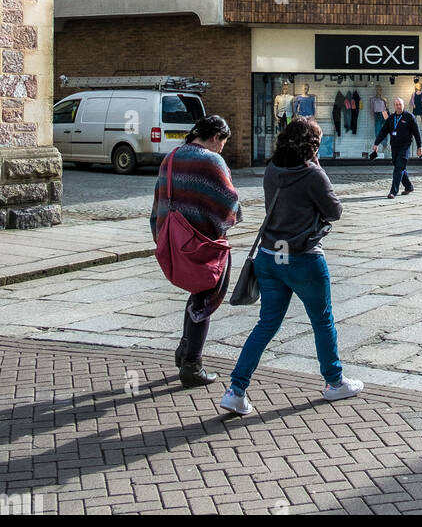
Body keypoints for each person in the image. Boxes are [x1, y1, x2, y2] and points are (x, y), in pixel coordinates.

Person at [220, 116, 363, 416]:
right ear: (312, 146)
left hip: (271, 256)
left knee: (267, 323)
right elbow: (334, 211)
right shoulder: (312, 175)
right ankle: (334, 382)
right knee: (322, 320)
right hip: (303, 257)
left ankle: (236, 389)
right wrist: (318, 166)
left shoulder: (272, 169)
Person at [149, 114, 240, 389]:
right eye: (223, 142)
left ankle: (185, 349)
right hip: (203, 242)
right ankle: (192, 365)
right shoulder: (212, 161)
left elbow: (158, 200)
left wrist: (160, 233)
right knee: (206, 296)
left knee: (197, 293)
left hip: (173, 239)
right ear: (215, 138)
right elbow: (228, 203)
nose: (222, 148)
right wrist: (226, 223)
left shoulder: (172, 157)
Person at [369, 97, 422, 196]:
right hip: (394, 146)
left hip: (405, 146)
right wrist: (376, 143)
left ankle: (393, 191)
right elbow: (383, 131)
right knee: (400, 167)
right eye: (397, 105)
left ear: (403, 105)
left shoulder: (409, 117)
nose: (398, 106)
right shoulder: (391, 118)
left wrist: (419, 146)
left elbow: (416, 133)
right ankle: (409, 187)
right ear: (394, 106)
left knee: (398, 168)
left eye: (400, 104)